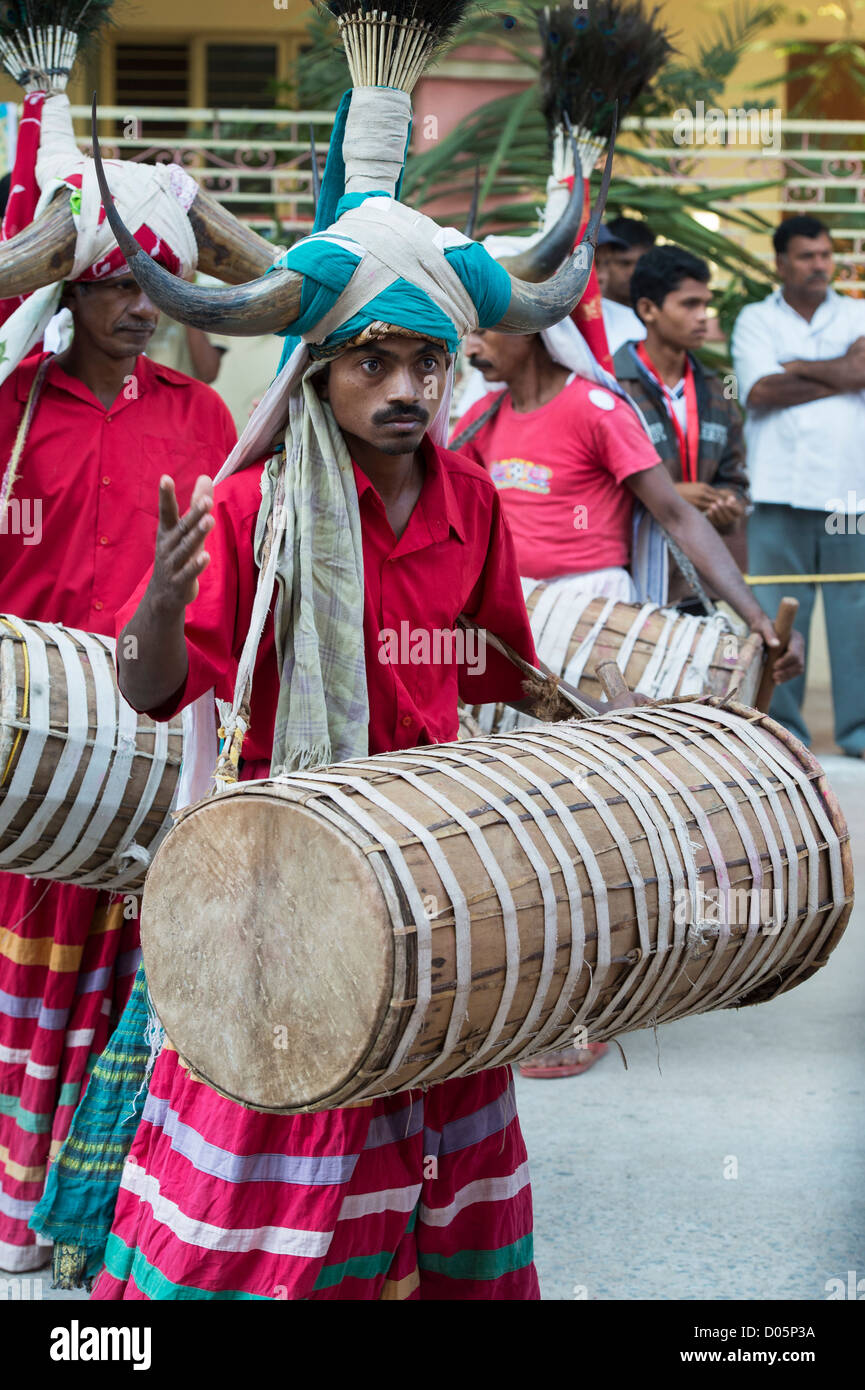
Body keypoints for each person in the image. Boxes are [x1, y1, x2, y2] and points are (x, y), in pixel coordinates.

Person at [731, 214, 865, 757]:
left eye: (825, 254)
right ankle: (783, 736)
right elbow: (759, 391)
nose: (819, 265)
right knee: (779, 616)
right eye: (807, 256)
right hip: (776, 489)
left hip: (849, 491)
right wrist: (843, 370)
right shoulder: (755, 319)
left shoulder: (858, 312)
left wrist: (797, 367)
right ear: (781, 262)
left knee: (855, 612)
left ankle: (857, 732)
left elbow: (862, 374)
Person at [614, 244, 749, 611]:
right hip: (627, 579)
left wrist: (728, 503)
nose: (703, 316)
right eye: (689, 304)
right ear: (647, 309)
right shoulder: (608, 385)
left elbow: (735, 478)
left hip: (701, 581)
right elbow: (588, 485)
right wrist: (670, 495)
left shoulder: (718, 389)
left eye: (705, 304)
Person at [598, 215, 654, 354]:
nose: (634, 271)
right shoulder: (587, 318)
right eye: (624, 263)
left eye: (641, 263)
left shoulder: (660, 321)